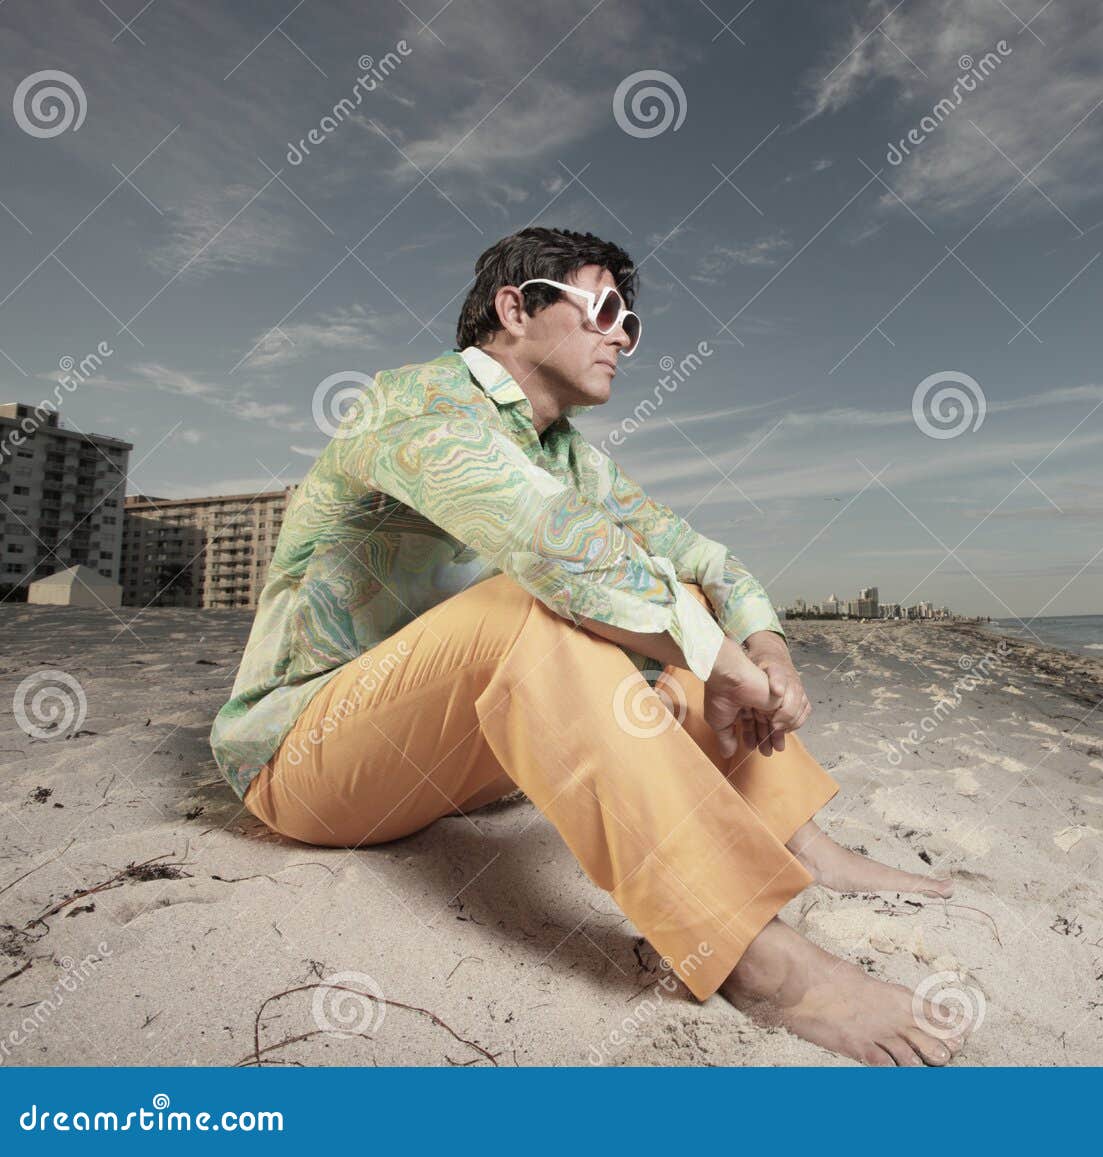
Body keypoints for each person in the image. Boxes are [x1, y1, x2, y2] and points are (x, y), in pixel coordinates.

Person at [210, 226, 968, 1066]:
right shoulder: (414, 404)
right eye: (604, 310)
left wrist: (766, 649)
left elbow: (701, 560)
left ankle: (793, 834)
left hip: (444, 767)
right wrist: (714, 661)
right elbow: (550, 541)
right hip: (305, 761)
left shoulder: (570, 456)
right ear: (514, 307)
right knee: (540, 605)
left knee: (668, 597)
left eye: (631, 323)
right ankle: (757, 957)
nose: (622, 336)